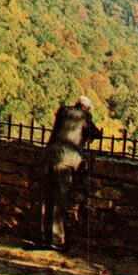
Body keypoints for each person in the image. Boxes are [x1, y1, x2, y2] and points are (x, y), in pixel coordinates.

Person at [40, 96, 102, 251]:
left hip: (50, 155)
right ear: (86, 108)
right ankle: (56, 240)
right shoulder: (84, 117)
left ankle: (44, 236)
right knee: (59, 200)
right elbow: (96, 133)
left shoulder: (62, 111)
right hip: (66, 160)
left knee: (47, 197)